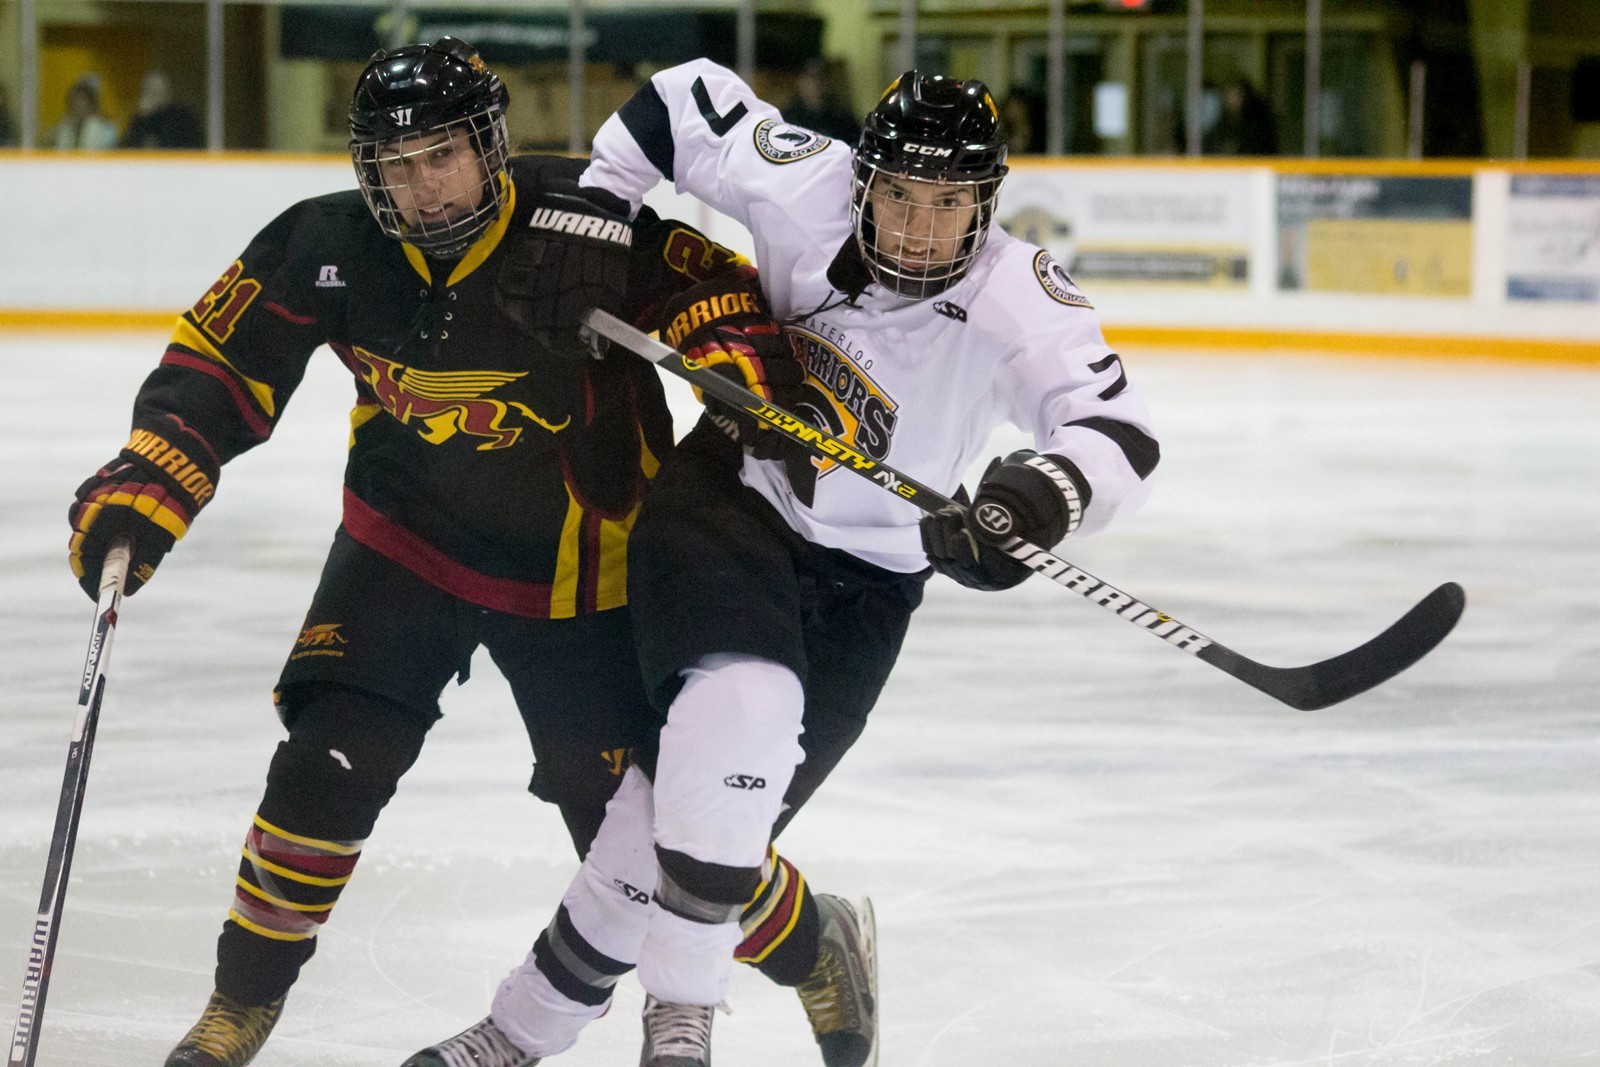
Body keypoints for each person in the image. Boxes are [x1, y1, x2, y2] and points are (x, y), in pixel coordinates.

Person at [66, 37, 823, 1067]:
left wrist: (740, 378)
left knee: (641, 832)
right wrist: (149, 480)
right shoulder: (321, 243)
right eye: (394, 162)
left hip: (578, 569)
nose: (420, 188)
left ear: (489, 146)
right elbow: (221, 362)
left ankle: (816, 944)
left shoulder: (576, 214)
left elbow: (713, 294)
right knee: (322, 767)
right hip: (402, 542)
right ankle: (236, 1006)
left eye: (442, 156)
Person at [409, 60, 1160, 1067]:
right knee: (742, 710)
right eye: (897, 196)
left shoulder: (1015, 294)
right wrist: (600, 204)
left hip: (872, 581)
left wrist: (1037, 497)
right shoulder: (807, 184)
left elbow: (1115, 430)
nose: (917, 229)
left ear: (986, 203)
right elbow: (682, 101)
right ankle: (680, 1021)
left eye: (947, 204)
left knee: (685, 809)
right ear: (864, 181)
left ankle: (520, 1026)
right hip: (732, 501)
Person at [782, 56, 860, 143]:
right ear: (801, 82)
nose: (817, 86)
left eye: (821, 79)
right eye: (811, 80)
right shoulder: (787, 119)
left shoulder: (844, 121)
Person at [121, 70, 204, 149]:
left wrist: (146, 118)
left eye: (158, 93)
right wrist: (141, 117)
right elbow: (127, 148)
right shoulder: (141, 120)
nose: (153, 97)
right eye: (149, 91)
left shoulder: (183, 119)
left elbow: (171, 145)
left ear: (168, 93)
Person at [50, 73, 118, 150]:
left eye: (81, 105)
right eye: (73, 106)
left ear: (92, 106)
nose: (77, 110)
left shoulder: (107, 132)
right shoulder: (62, 131)